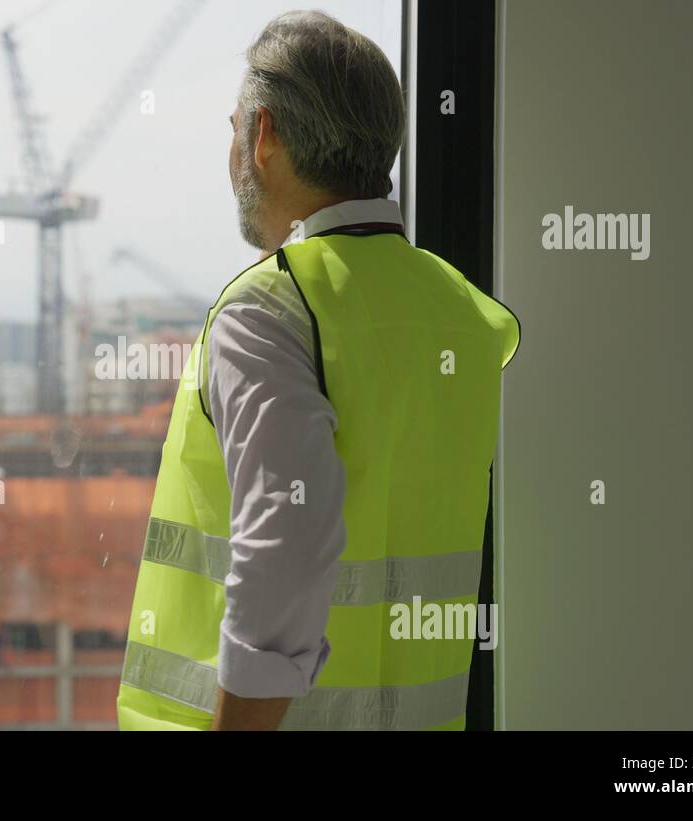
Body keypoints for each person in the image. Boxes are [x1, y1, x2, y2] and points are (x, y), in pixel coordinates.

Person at [115, 10, 520, 730]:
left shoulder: (270, 310)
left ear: (262, 135)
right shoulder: (461, 311)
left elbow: (286, 545)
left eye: (233, 126)